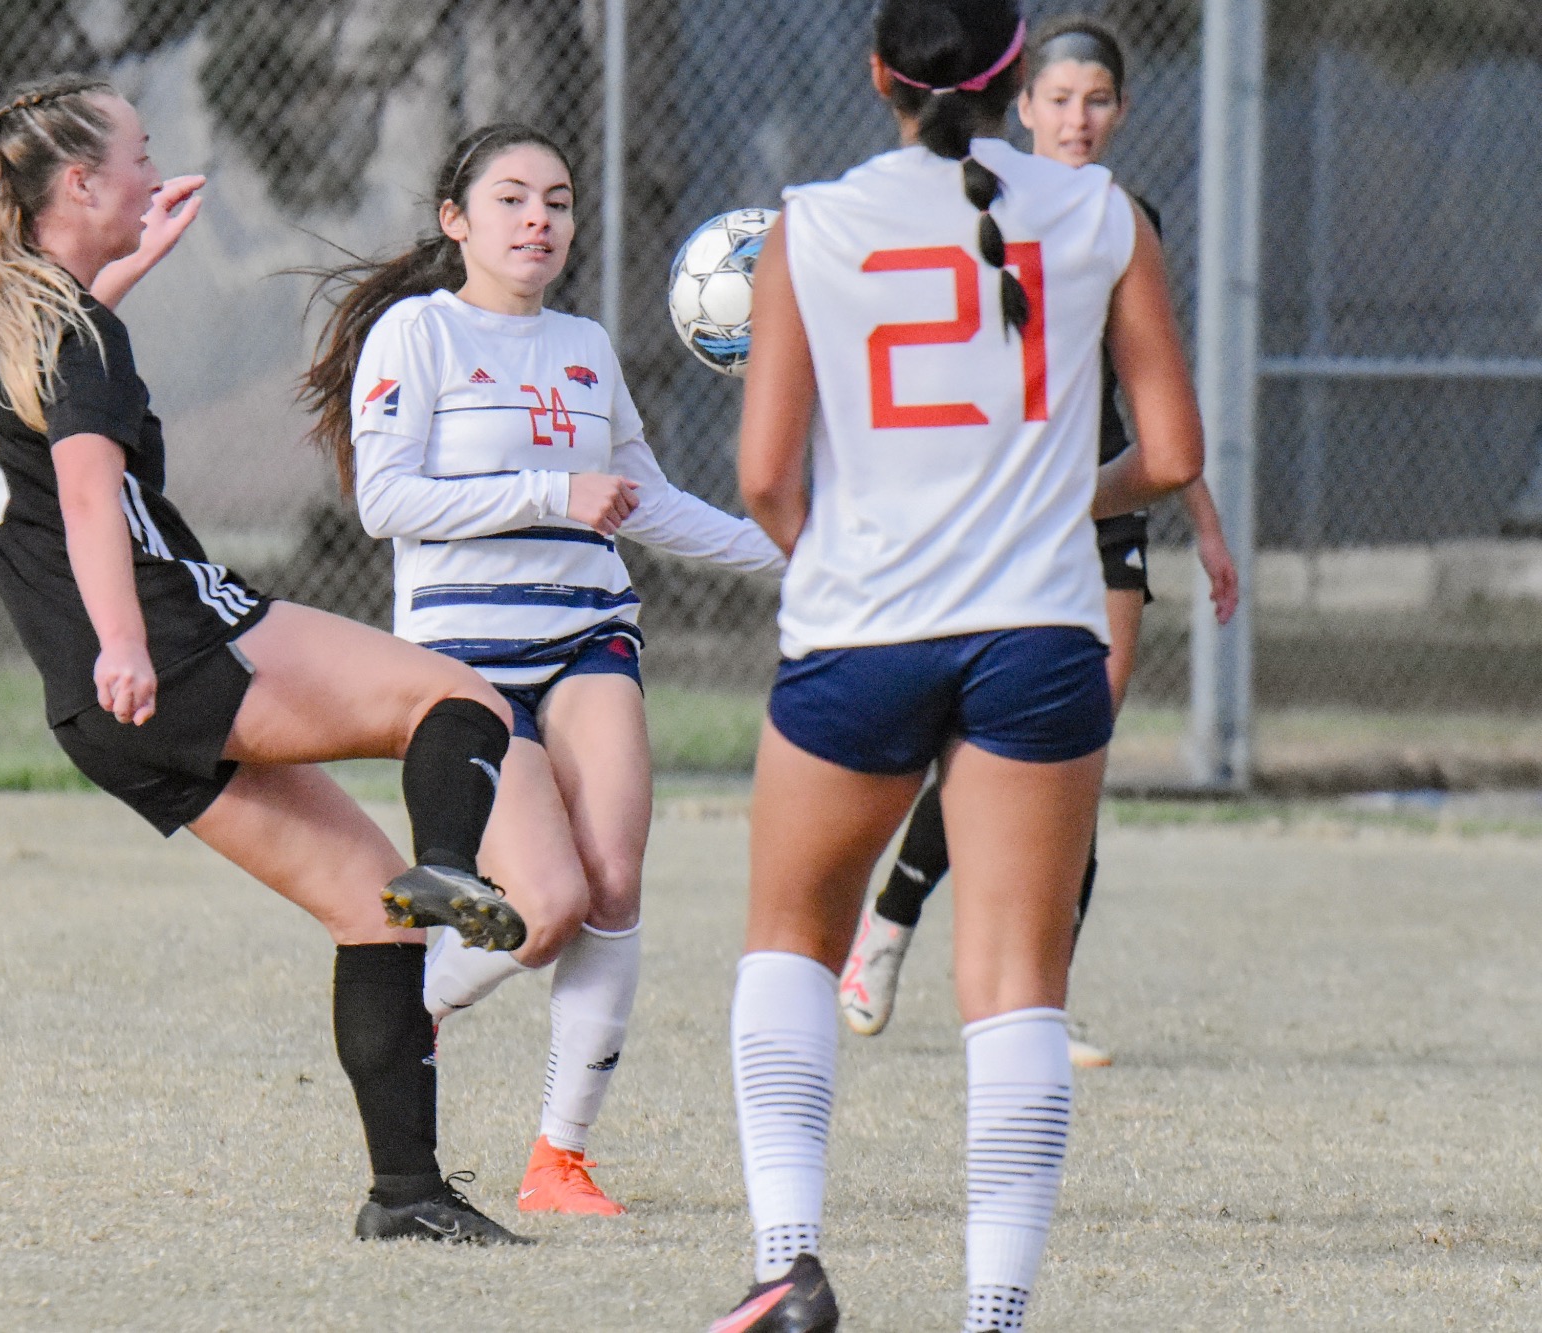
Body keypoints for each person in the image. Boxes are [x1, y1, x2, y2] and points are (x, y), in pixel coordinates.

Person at [0, 74, 535, 1245]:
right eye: (136, 156)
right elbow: (82, 489)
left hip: (97, 707)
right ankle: (454, 863)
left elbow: (56, 390)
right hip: (176, 644)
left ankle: (405, 1198)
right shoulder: (75, 332)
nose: (152, 171)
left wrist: (122, 275)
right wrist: (127, 635)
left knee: (371, 915)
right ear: (79, 183)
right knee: (461, 699)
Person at [707, 0, 1203, 1325]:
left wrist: (856, 556)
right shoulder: (1106, 219)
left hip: (861, 631)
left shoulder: (811, 222)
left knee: (791, 943)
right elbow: (1169, 453)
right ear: (1014, 76)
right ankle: (993, 1314)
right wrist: (1043, 511)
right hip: (1040, 633)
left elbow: (763, 476)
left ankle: (785, 1263)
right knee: (1016, 991)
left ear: (881, 75)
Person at [301, 123, 786, 1216]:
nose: (538, 220)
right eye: (512, 199)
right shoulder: (414, 334)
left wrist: (792, 547)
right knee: (549, 903)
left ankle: (557, 1160)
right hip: (460, 662)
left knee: (612, 885)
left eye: (557, 201)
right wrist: (545, 492)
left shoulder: (582, 344)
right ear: (454, 220)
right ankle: (415, 1000)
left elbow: (642, 499)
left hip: (587, 636)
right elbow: (387, 503)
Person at [836, 14, 1242, 1067]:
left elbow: (1159, 409)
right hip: (980, 513)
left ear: (1118, 111)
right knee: (971, 735)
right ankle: (892, 914)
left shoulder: (1115, 219)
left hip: (1097, 506)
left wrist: (1201, 523)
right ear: (1015, 101)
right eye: (1057, 98)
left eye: (1096, 100)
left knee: (1074, 749)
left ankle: (1035, 1000)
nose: (1076, 117)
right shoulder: (937, 213)